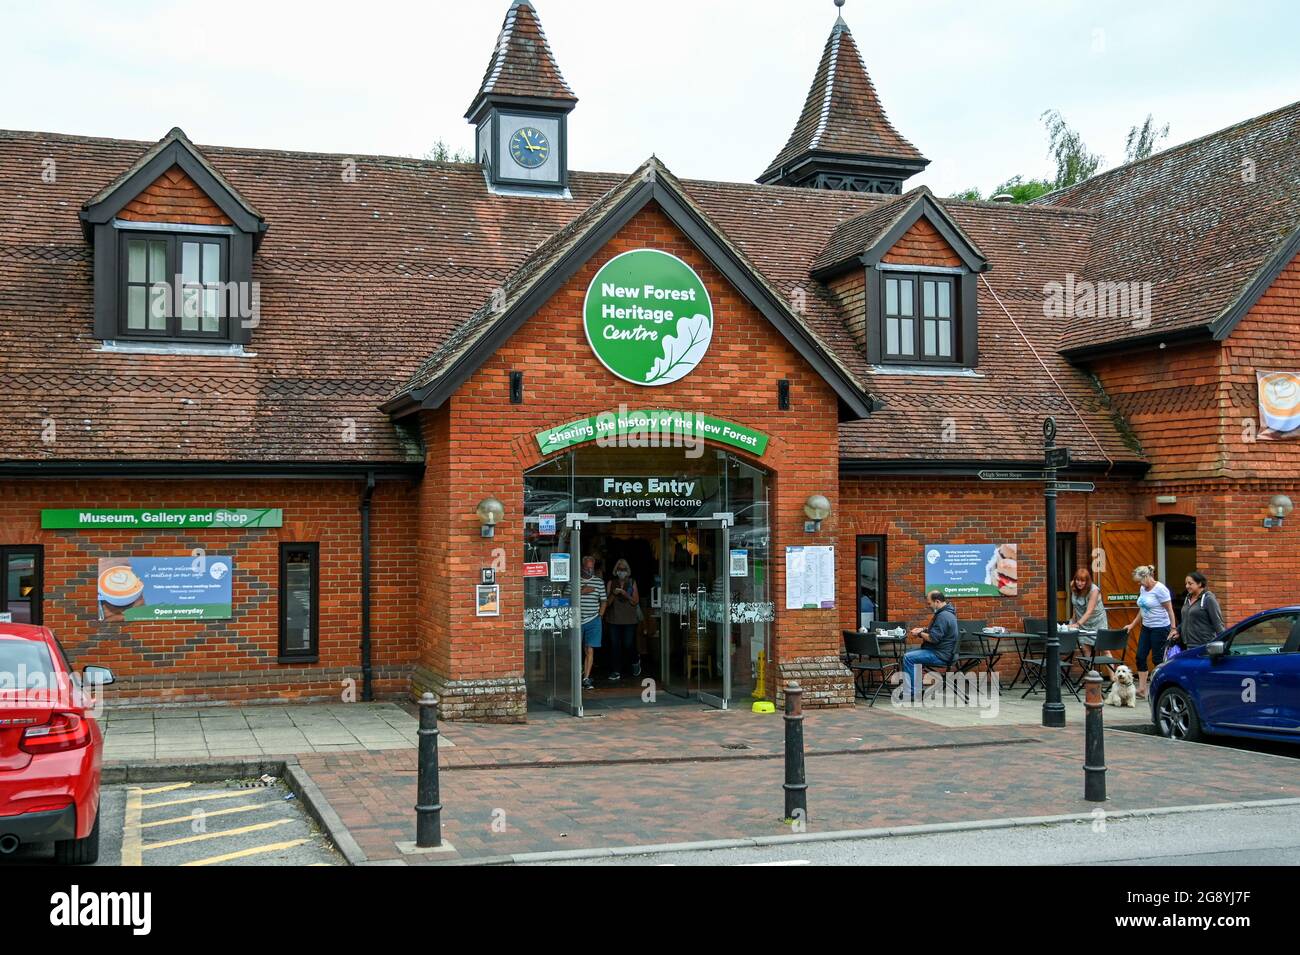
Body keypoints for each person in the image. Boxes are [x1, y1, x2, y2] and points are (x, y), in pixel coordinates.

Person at [901, 590, 960, 701]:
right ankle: (915, 689)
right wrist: (923, 629)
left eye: (929, 603)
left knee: (908, 657)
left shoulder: (943, 616)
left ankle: (913, 693)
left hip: (940, 654)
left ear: (937, 601)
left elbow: (933, 638)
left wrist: (919, 634)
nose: (929, 606)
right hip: (944, 652)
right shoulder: (948, 613)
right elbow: (938, 632)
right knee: (910, 654)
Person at [1130, 565, 1177, 700]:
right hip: (1147, 627)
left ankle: (1159, 688)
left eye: (1140, 581)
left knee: (1157, 659)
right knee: (1140, 656)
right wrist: (1133, 624)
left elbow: (1170, 610)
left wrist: (1173, 629)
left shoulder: (1160, 589)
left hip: (1160, 627)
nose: (1139, 584)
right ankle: (1142, 689)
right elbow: (1143, 608)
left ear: (1146, 577)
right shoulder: (1143, 588)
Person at [605, 558, 641, 682]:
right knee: (615, 645)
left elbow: (635, 601)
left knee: (628, 644)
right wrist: (614, 594)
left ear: (627, 571)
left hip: (629, 619)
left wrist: (626, 594)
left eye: (624, 569)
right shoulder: (611, 582)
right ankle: (616, 671)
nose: (622, 571)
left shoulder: (632, 582)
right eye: (619, 569)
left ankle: (635, 660)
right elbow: (607, 604)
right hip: (614, 619)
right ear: (616, 570)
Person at [578, 555, 606, 691]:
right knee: (576, 650)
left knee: (589, 649)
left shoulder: (599, 582)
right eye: (587, 567)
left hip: (593, 619)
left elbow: (604, 600)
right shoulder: (574, 581)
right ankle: (576, 676)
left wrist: (600, 615)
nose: (589, 570)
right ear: (582, 567)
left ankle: (586, 678)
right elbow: (566, 598)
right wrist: (582, 591)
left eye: (591, 567)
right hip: (577, 621)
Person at [1181, 571, 1225, 648]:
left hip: (1204, 645)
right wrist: (1177, 630)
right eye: (1186, 584)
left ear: (1200, 584)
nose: (1187, 586)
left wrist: (1225, 641)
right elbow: (1187, 620)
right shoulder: (1187, 598)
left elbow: (1218, 622)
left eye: (1190, 583)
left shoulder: (1208, 599)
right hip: (1188, 645)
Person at [1068, 568, 1109, 642]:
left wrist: (1077, 624)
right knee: (1085, 648)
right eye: (1077, 580)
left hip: (1097, 621)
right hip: (1082, 622)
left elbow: (1089, 611)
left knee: (1104, 648)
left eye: (1082, 581)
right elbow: (1075, 605)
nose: (1079, 583)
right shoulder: (1073, 586)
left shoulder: (1094, 590)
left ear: (1087, 582)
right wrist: (1073, 620)